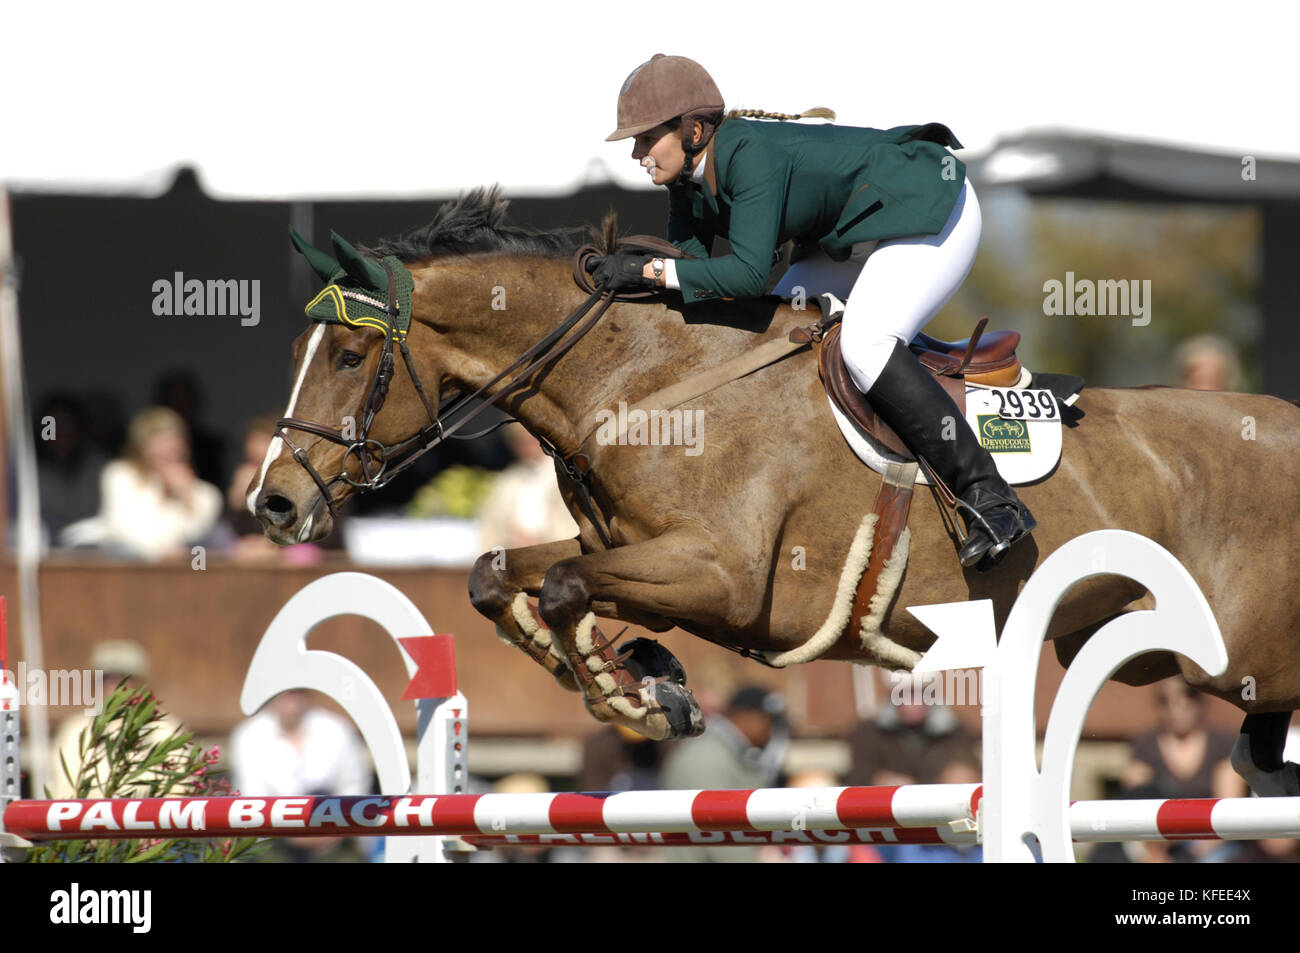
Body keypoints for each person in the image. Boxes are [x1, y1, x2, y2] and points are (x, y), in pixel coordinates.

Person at [591, 54, 1034, 570]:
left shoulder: (749, 155)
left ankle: (991, 496)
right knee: (775, 335)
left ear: (692, 130)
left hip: (932, 211)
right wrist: (634, 276)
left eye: (645, 139)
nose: (637, 154)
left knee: (865, 345)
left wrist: (647, 273)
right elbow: (690, 275)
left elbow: (746, 276)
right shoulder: (688, 180)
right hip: (860, 232)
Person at [62, 406, 223, 560]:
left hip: (178, 577)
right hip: (122, 571)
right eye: (158, 440)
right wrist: (162, 550)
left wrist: (186, 498)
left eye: (173, 439)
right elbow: (125, 532)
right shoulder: (120, 475)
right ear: (141, 446)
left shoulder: (205, 494)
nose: (167, 448)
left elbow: (196, 540)